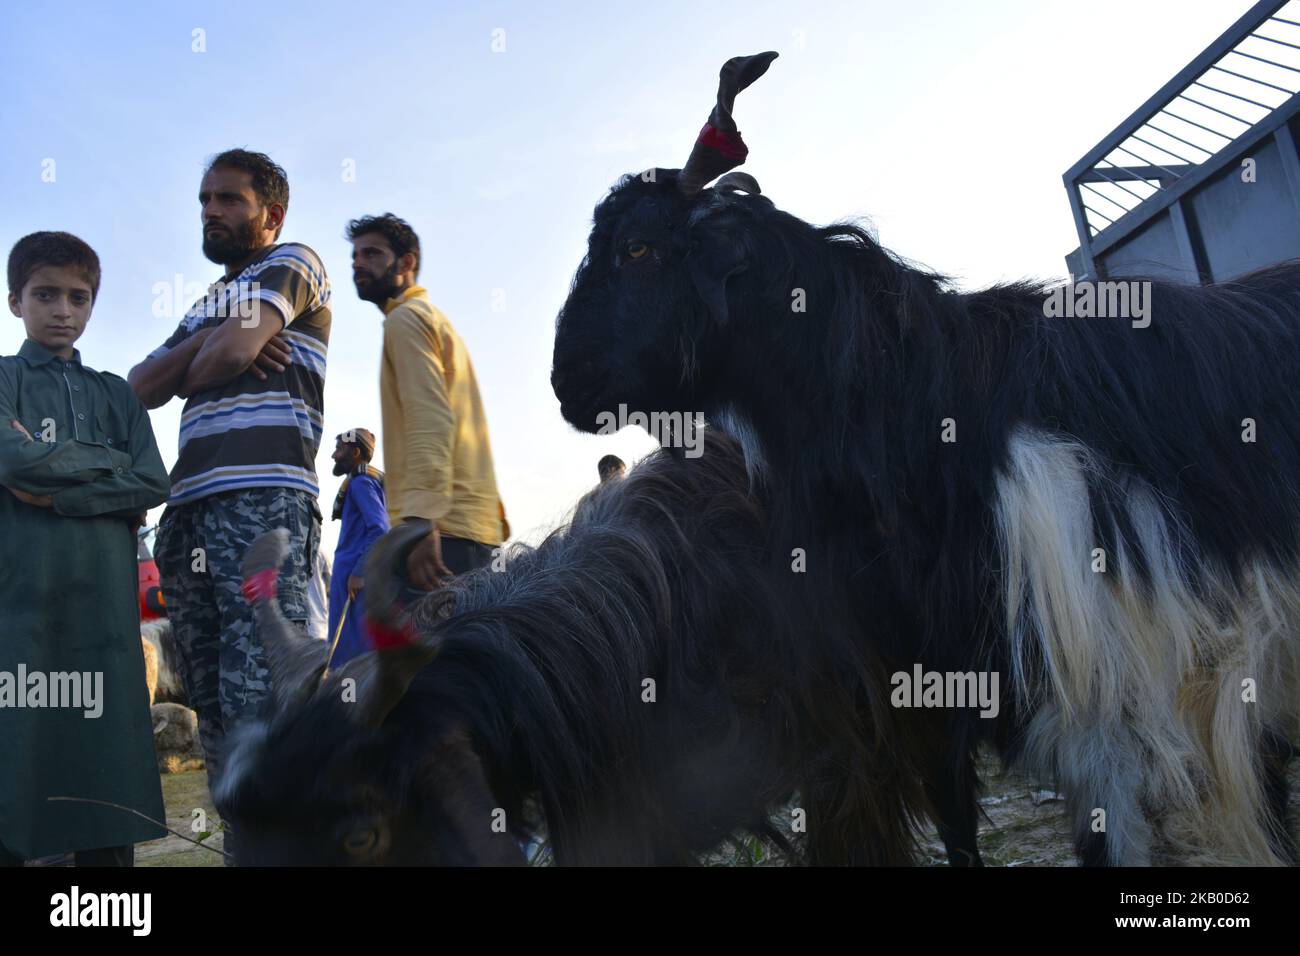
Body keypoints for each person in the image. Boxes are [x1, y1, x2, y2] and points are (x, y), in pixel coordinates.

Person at [127, 150, 330, 856]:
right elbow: (140, 386)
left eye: (229, 200)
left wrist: (221, 346)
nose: (211, 211)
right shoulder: (203, 300)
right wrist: (216, 340)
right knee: (212, 704)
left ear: (270, 214)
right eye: (205, 199)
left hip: (263, 500)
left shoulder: (296, 262)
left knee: (263, 700)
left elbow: (232, 355)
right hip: (187, 513)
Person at [0, 231, 170, 866]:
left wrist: (61, 495)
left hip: (103, 610)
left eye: (79, 297)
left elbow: (154, 481)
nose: (62, 311)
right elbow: (11, 456)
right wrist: (108, 469)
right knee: (16, 760)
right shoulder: (5, 378)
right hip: (19, 604)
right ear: (16, 300)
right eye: (45, 295)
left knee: (106, 771)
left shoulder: (114, 393)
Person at [347, 213, 508, 588]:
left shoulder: (405, 320)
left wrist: (419, 522)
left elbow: (428, 419)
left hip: (441, 535)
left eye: (371, 254)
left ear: (406, 263)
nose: (357, 264)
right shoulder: (430, 318)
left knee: (430, 648)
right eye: (354, 257)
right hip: (466, 531)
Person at [326, 428, 388, 666]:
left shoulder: (361, 483)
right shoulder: (363, 483)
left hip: (354, 579)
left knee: (350, 657)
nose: (334, 455)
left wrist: (359, 572)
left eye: (339, 450)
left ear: (355, 452)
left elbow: (380, 529)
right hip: (353, 576)